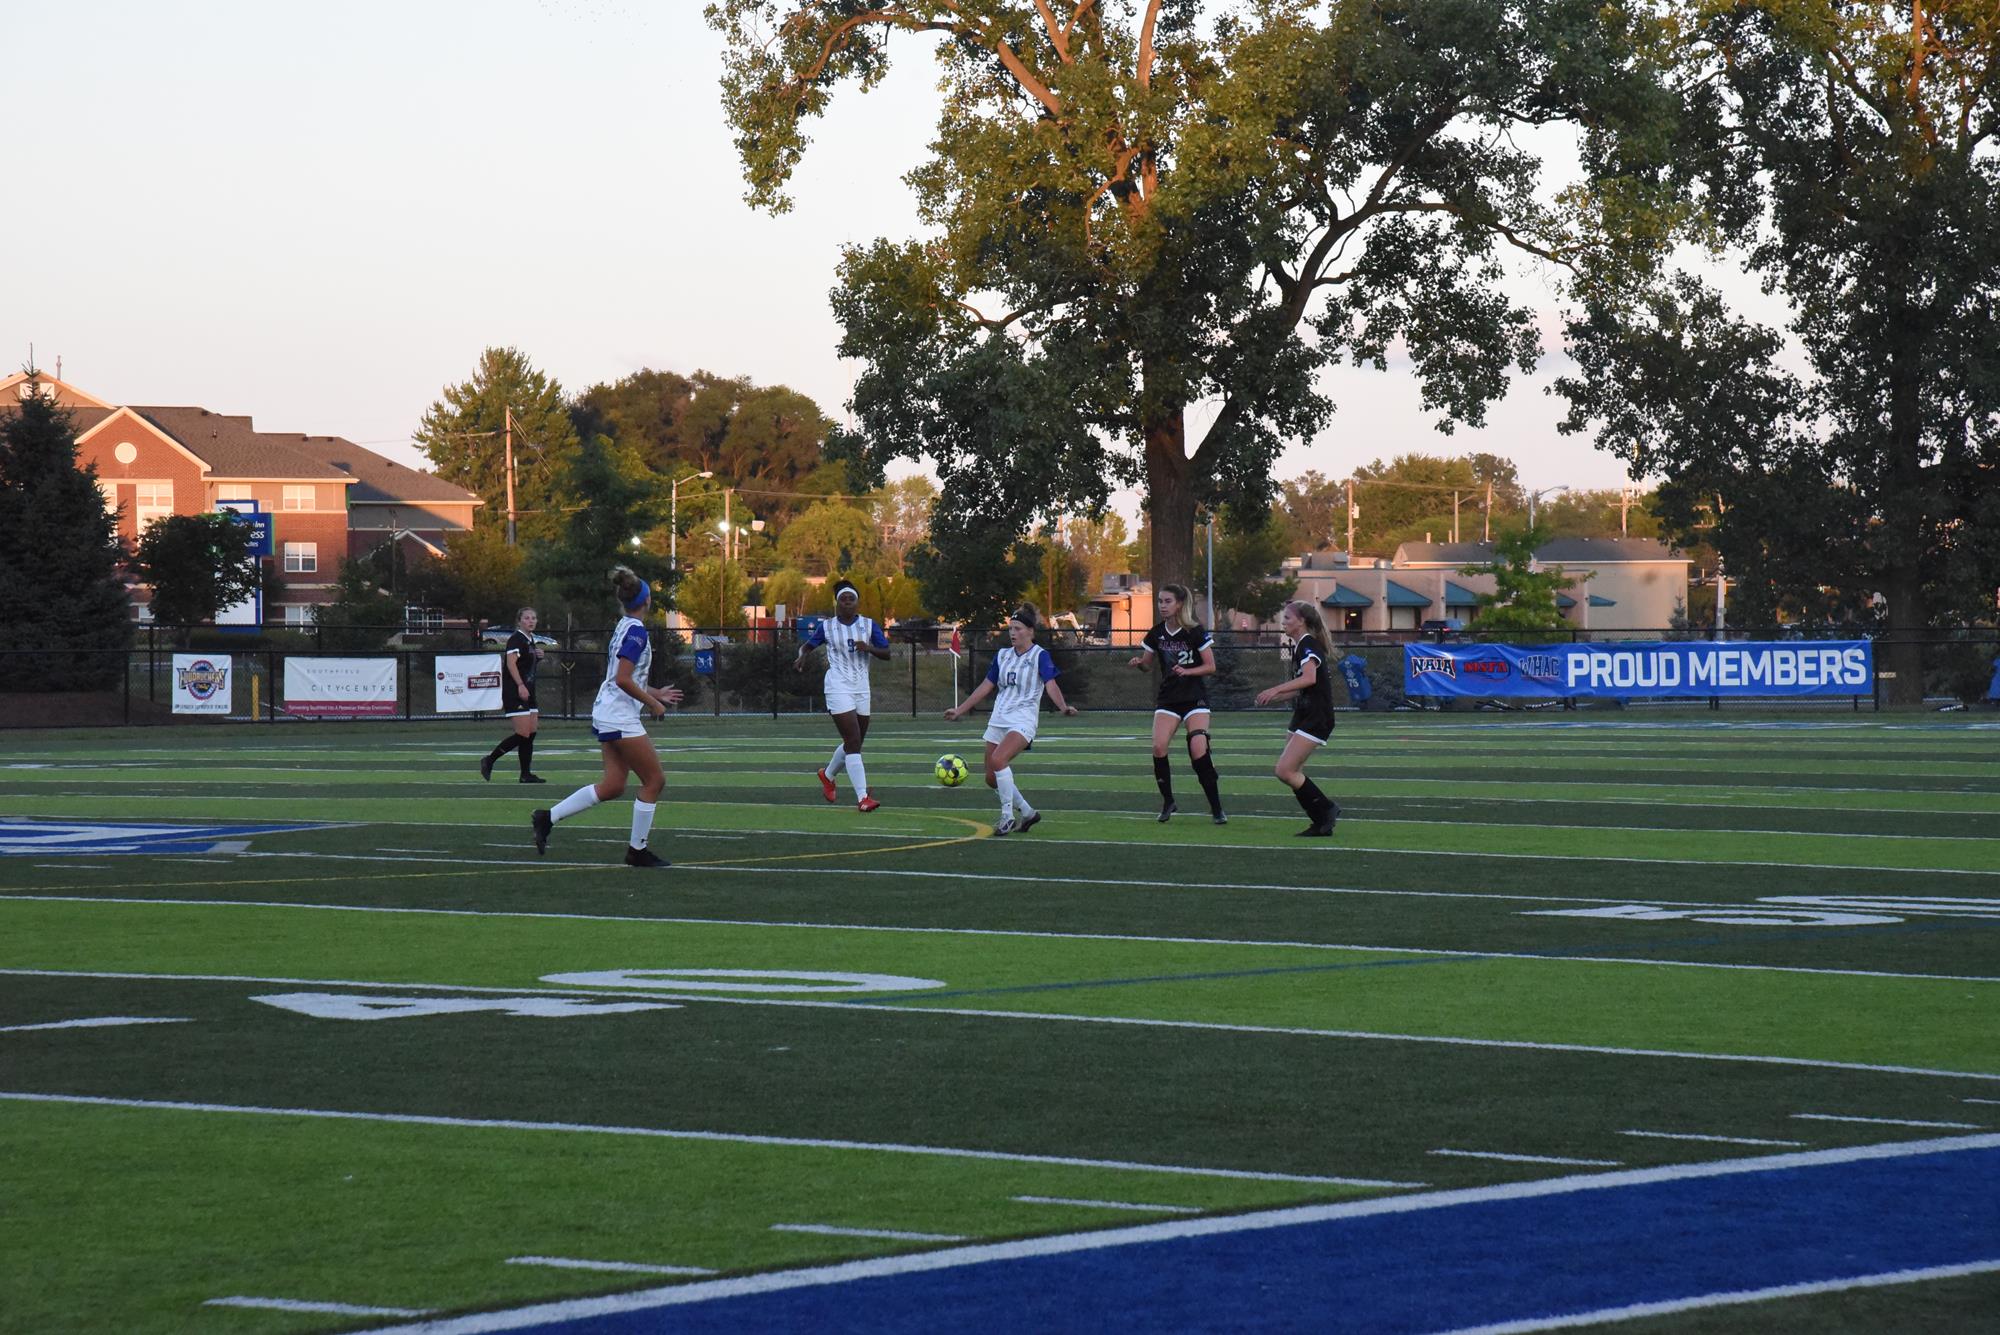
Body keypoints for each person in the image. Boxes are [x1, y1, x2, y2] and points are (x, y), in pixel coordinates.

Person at [531, 567, 683, 867]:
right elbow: (623, 679)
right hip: (619, 716)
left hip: (608, 711)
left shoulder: (624, 625)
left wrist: (655, 692)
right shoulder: (636, 631)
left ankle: (547, 817)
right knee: (654, 780)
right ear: (647, 599)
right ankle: (637, 851)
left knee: (613, 785)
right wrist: (653, 703)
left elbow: (622, 677)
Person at [943, 603, 1078, 835]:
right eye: (1010, 628)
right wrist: (960, 709)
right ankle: (1028, 812)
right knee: (990, 777)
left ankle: (1007, 817)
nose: (1013, 633)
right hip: (999, 718)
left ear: (1030, 631)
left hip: (1022, 720)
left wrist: (1063, 707)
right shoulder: (1003, 655)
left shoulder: (1039, 655)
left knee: (998, 760)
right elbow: (986, 686)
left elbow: (1051, 684)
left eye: (1017, 628)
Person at [1127, 582, 1224, 824]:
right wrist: (1140, 663)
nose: (1163, 605)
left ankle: (1216, 807)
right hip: (1169, 698)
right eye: (1160, 601)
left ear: (1180, 604)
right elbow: (1148, 665)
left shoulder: (1194, 631)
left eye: (1168, 601)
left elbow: (1210, 666)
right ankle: (1168, 801)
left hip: (1194, 697)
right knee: (1158, 747)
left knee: (1198, 749)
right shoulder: (1156, 632)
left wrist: (1188, 671)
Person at [795, 579, 892, 812]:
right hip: (837, 685)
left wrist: (869, 648)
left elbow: (887, 653)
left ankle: (828, 775)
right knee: (854, 742)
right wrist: (802, 655)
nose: (847, 602)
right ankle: (862, 798)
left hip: (861, 686)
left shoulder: (868, 625)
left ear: (857, 603)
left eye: (851, 599)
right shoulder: (827, 627)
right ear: (837, 603)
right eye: (843, 599)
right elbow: (808, 646)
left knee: (854, 741)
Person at [1254, 599, 1340, 837]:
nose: (1283, 622)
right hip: (1303, 713)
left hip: (1317, 716)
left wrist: (1275, 689)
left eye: (1287, 618)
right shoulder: (1301, 645)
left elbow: (1309, 678)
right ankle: (1321, 822)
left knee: (1285, 771)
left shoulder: (1308, 643)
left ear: (1301, 621)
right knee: (1291, 772)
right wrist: (1274, 697)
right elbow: (1303, 687)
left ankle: (1326, 809)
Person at [480, 607, 547, 784]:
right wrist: (520, 685)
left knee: (531, 733)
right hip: (516, 691)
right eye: (527, 618)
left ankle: (525, 774)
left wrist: (538, 656)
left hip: (529, 691)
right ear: (519, 621)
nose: (531, 621)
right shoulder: (516, 639)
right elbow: (511, 664)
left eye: (533, 618)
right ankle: (489, 760)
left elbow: (525, 663)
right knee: (523, 733)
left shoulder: (530, 640)